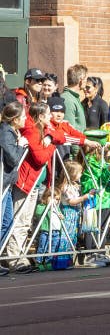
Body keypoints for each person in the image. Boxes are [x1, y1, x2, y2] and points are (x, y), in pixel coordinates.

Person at [7, 102, 62, 273]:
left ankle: (21, 256)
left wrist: (51, 137)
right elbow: (40, 158)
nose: (51, 117)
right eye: (48, 115)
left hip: (35, 184)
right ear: (40, 117)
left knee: (26, 222)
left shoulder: (44, 129)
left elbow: (63, 135)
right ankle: (15, 259)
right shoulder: (31, 130)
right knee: (20, 221)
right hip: (24, 183)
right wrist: (52, 143)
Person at [35, 161, 93, 270]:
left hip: (74, 214)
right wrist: (84, 197)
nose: (81, 174)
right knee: (65, 237)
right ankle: (60, 261)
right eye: (79, 172)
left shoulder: (75, 185)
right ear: (72, 173)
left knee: (72, 237)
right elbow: (71, 201)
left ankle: (68, 259)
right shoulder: (66, 187)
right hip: (68, 213)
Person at [0, 102, 27, 275]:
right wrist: (21, 144)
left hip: (7, 184)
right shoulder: (5, 132)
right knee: (2, 222)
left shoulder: (11, 131)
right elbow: (13, 158)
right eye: (23, 116)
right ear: (15, 119)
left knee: (7, 223)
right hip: (2, 184)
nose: (25, 119)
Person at [62, 64, 88, 132]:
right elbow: (69, 130)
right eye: (85, 79)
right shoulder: (68, 100)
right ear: (81, 80)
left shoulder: (73, 97)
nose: (86, 82)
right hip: (74, 142)